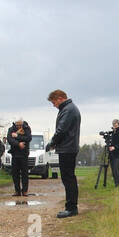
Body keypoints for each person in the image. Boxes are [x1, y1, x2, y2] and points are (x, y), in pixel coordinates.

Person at [44, 89, 81, 218]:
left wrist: (52, 142)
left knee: (68, 178)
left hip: (67, 148)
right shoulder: (69, 109)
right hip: (68, 147)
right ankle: (71, 206)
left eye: (54, 102)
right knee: (69, 178)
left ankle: (71, 208)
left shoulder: (68, 110)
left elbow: (61, 130)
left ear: (60, 98)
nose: (54, 105)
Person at [7, 118, 32, 196]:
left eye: (20, 125)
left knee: (25, 174)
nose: (19, 126)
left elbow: (28, 138)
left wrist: (17, 136)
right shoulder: (11, 129)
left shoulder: (26, 128)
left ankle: (25, 191)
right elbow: (10, 139)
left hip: (24, 154)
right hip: (15, 154)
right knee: (15, 174)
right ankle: (17, 191)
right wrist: (18, 144)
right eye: (17, 125)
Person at [107, 118, 119, 187]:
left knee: (116, 168)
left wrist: (114, 147)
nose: (114, 125)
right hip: (112, 154)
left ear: (118, 124)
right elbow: (111, 142)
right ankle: (116, 184)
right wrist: (110, 146)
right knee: (113, 169)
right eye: (113, 124)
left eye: (115, 123)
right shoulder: (113, 133)